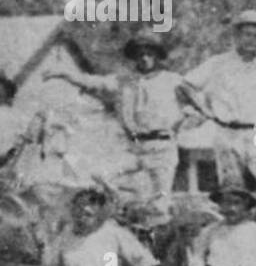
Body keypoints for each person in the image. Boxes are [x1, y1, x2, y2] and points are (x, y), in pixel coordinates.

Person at [45, 36, 192, 208]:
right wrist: (64, 74)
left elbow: (199, 103)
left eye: (149, 54)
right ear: (134, 58)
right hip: (133, 148)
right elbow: (93, 82)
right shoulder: (123, 82)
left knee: (160, 201)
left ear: (157, 56)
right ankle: (121, 211)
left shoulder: (173, 80)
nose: (144, 58)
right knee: (101, 176)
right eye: (140, 55)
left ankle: (156, 216)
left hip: (161, 148)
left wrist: (186, 123)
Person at [183, 10, 256, 210]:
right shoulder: (218, 63)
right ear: (237, 36)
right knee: (232, 188)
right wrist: (204, 110)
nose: (251, 40)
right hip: (227, 130)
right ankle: (237, 226)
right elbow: (185, 85)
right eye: (247, 34)